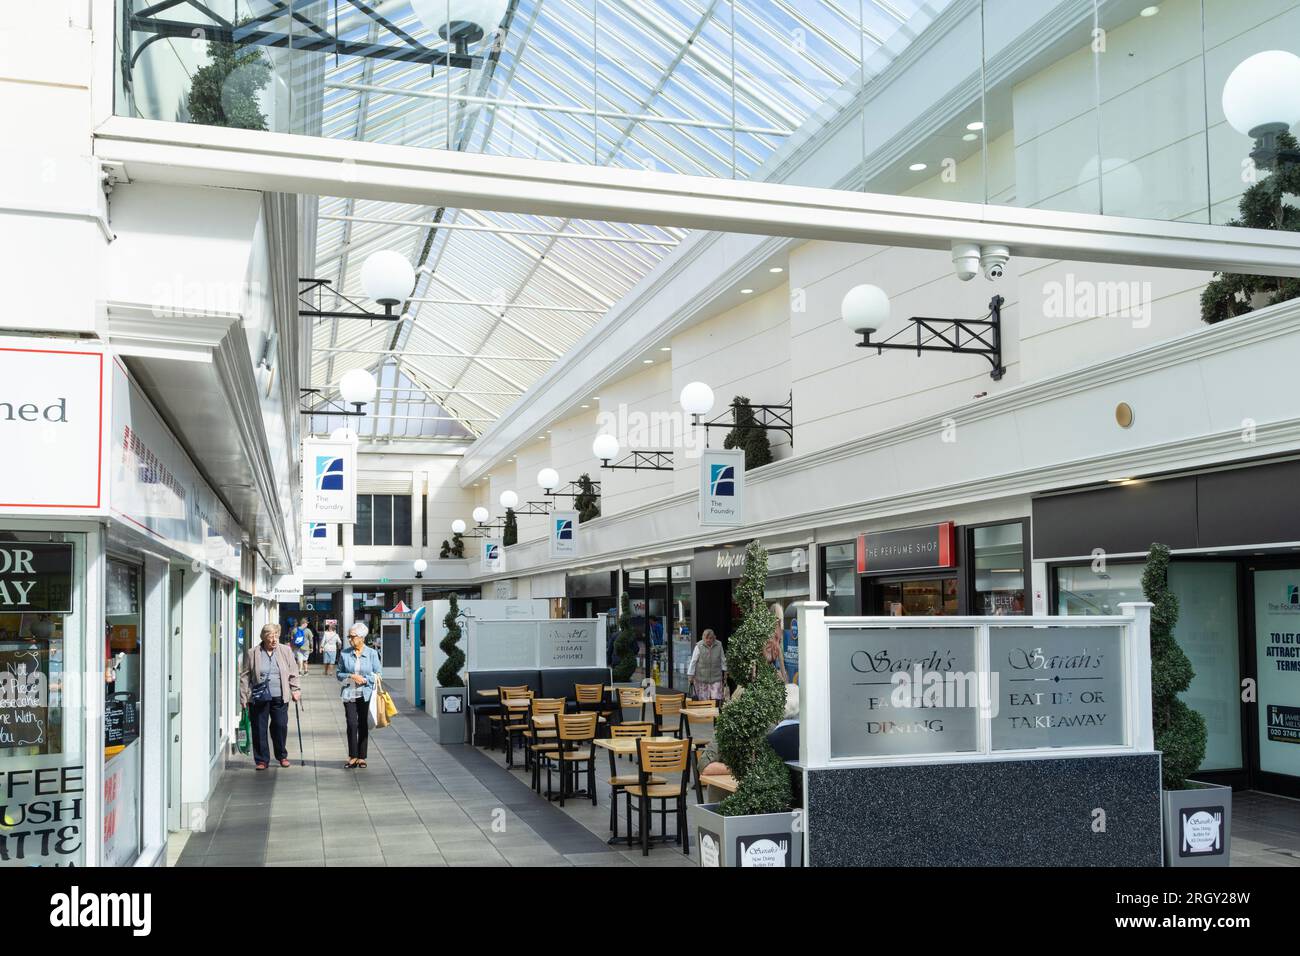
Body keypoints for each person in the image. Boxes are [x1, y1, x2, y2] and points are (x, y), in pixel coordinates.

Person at [238, 623, 301, 770]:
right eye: (270, 637)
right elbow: (245, 677)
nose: (274, 640)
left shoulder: (285, 651)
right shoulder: (253, 653)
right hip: (259, 697)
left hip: (280, 695)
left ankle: (281, 755)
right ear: (264, 638)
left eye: (276, 636)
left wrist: (296, 689)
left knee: (280, 726)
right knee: (259, 728)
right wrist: (243, 697)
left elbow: (293, 671)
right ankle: (261, 760)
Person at [336, 622, 381, 769]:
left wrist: (366, 679)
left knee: (362, 723)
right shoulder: (344, 653)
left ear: (361, 638)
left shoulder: (372, 654)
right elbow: (338, 674)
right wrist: (351, 676)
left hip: (366, 694)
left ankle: (362, 757)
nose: (349, 639)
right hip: (349, 693)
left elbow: (378, 674)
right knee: (351, 723)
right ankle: (353, 756)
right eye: (349, 636)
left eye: (352, 636)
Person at [687, 628, 727, 701]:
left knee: (716, 700)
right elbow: (693, 661)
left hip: (716, 677)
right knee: (703, 701)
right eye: (706, 638)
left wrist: (725, 672)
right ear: (703, 638)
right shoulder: (699, 646)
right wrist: (690, 675)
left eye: (710, 638)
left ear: (714, 638)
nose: (708, 640)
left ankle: (715, 712)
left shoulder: (719, 645)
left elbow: (723, 659)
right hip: (701, 678)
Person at [765, 602, 790, 683]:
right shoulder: (776, 629)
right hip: (775, 665)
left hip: (774, 665)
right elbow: (779, 653)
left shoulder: (768, 628)